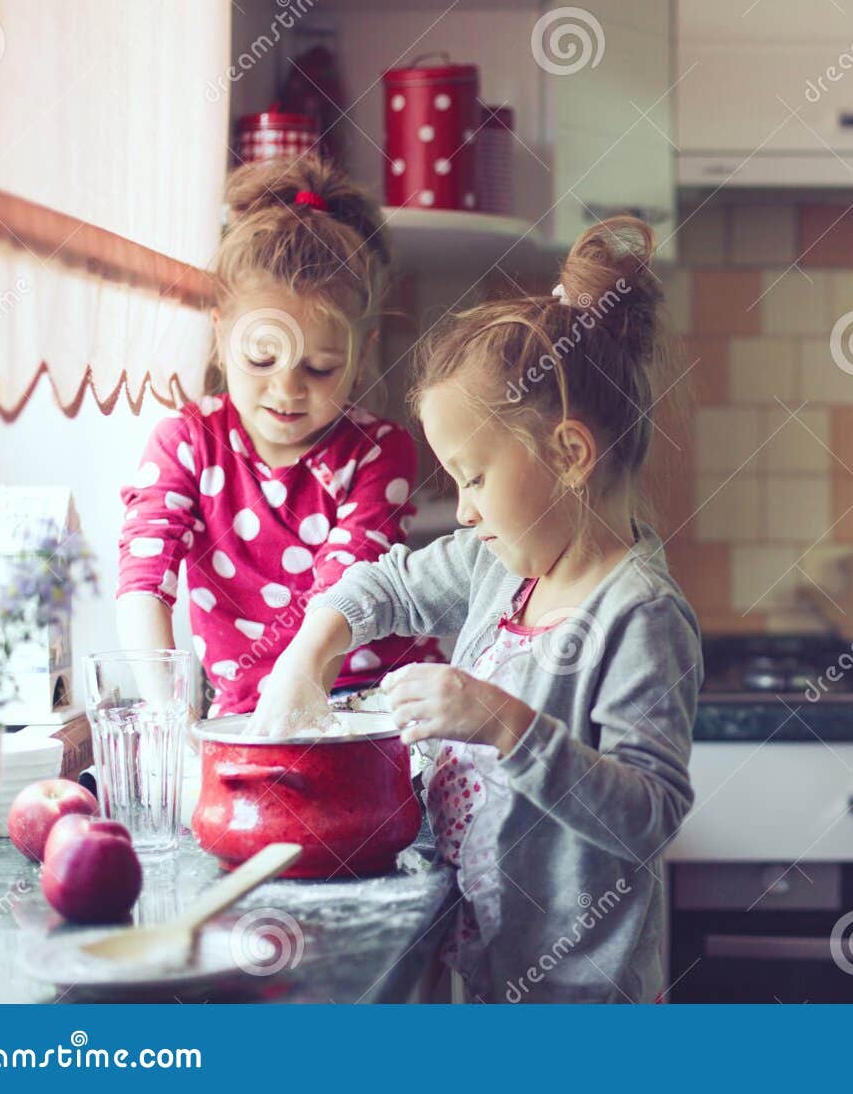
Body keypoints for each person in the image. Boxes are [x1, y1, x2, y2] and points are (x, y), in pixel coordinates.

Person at [251, 216, 701, 1003]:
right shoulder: (501, 564)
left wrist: (501, 722)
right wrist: (303, 659)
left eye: (473, 476)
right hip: (477, 981)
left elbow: (650, 815)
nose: (461, 510)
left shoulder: (639, 614)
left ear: (567, 454)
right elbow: (382, 586)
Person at [116, 156, 441, 718]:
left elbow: (344, 592)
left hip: (374, 701)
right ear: (220, 334)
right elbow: (143, 581)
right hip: (247, 713)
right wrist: (171, 715)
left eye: (319, 368)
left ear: (363, 354)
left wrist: (293, 699)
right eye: (261, 358)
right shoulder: (185, 444)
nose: (287, 391)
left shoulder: (378, 452)